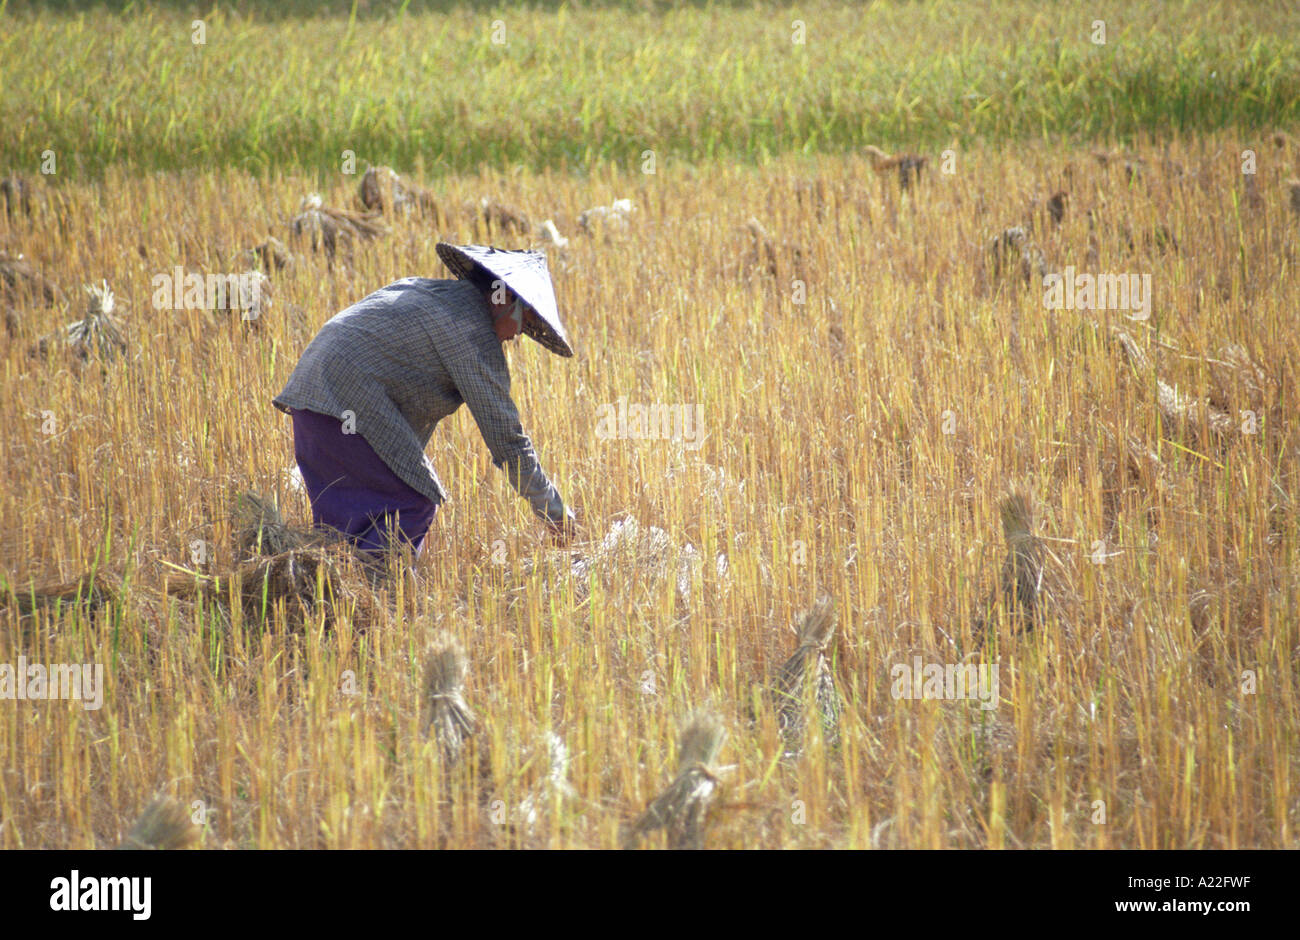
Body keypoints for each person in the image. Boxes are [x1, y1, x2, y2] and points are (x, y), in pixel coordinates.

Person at [272, 243, 577, 557]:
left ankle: (331, 597)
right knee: (410, 504)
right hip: (343, 405)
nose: (517, 336)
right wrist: (554, 513)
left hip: (311, 402)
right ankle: (379, 601)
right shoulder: (471, 330)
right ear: (505, 299)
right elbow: (508, 441)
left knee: (342, 533)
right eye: (524, 323)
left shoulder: (427, 293)